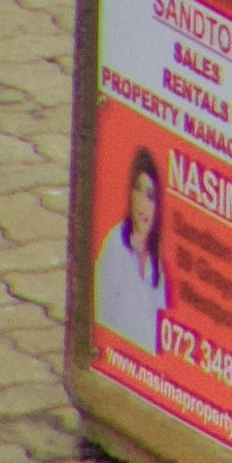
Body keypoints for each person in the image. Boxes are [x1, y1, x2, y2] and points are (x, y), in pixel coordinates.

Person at [93, 150, 168, 354]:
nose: (143, 205)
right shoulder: (116, 246)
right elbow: (98, 318)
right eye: (138, 190)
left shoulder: (158, 261)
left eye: (151, 196)